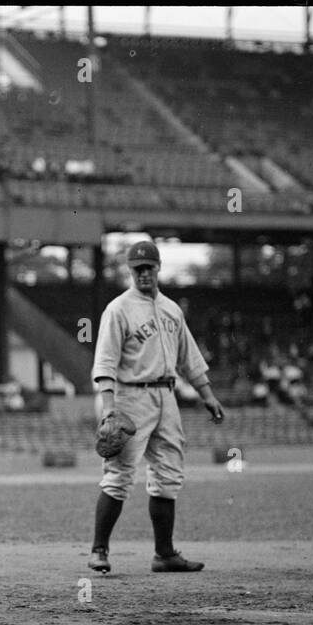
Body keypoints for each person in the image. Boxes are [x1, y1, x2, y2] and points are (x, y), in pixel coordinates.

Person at [87, 241, 225, 575]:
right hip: (129, 397)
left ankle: (164, 554)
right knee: (120, 474)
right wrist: (109, 408)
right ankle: (99, 550)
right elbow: (105, 362)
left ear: (158, 267)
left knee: (168, 474)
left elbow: (189, 358)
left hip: (166, 396)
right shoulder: (118, 309)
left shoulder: (172, 310)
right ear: (130, 271)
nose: (144, 273)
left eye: (149, 267)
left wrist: (207, 394)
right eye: (138, 269)